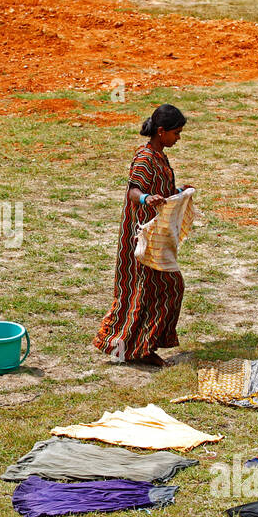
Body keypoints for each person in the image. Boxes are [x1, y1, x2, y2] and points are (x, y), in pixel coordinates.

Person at [93, 103, 189, 368]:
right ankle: (137, 346)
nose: (178, 137)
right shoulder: (145, 158)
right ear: (161, 132)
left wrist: (180, 191)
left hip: (156, 235)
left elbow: (161, 188)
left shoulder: (159, 156)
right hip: (141, 238)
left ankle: (142, 345)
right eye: (176, 132)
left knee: (162, 289)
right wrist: (147, 199)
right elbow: (134, 191)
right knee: (151, 289)